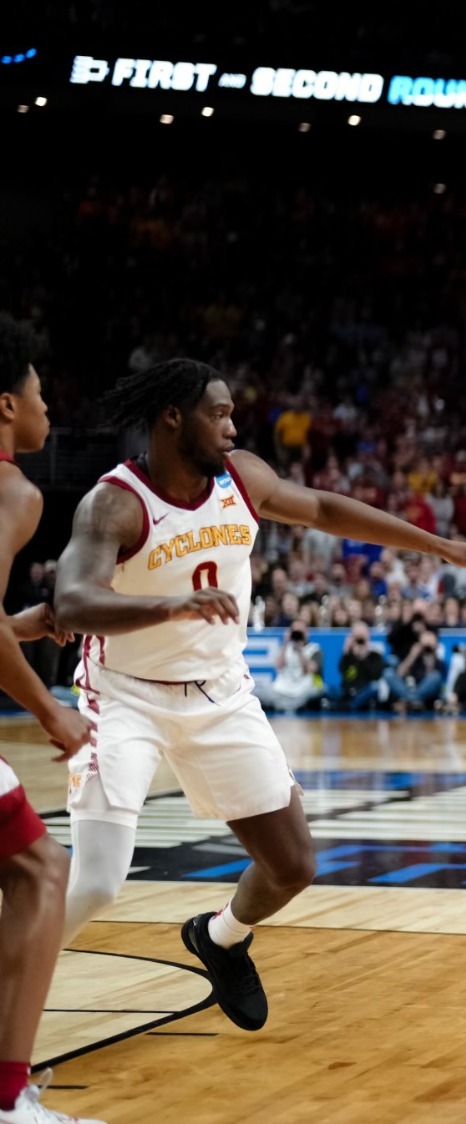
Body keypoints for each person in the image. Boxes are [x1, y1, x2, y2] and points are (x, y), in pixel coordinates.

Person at [53, 358, 466, 1035]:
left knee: (293, 865)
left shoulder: (243, 478)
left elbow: (325, 509)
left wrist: (437, 546)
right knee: (96, 881)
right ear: (172, 418)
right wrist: (171, 605)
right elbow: (73, 600)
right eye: (220, 413)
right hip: (125, 695)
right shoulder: (116, 502)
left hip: (219, 690)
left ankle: (220, 938)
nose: (234, 426)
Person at [0, 319, 103, 1124]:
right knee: (41, 872)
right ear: (7, 406)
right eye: (39, 395)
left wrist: (25, 626)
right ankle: (8, 1100)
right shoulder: (15, 491)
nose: (48, 409)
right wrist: (50, 708)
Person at [253, 622, 322, 714]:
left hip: (303, 688)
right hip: (282, 688)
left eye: (300, 632)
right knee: (259, 694)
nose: (297, 635)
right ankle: (288, 706)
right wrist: (285, 644)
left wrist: (299, 651)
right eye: (295, 632)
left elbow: (310, 669)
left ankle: (286, 706)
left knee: (317, 692)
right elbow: (278, 665)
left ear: (307, 633)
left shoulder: (314, 649)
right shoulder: (285, 648)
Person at [330, 623, 386, 711]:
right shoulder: (349, 656)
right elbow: (345, 675)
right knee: (328, 689)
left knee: (374, 687)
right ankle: (350, 704)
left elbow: (376, 675)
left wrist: (363, 657)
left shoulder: (375, 656)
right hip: (349, 690)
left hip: (365, 691)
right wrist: (346, 653)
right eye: (357, 638)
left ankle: (349, 705)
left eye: (362, 638)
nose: (360, 642)